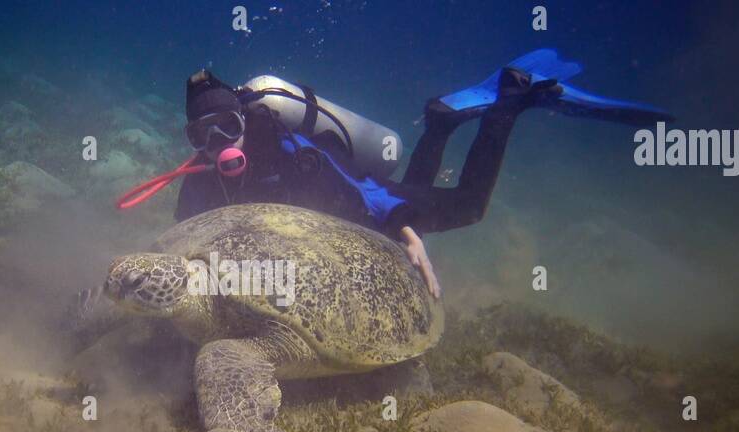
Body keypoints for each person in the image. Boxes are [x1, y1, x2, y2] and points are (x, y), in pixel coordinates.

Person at [164, 50, 673, 298]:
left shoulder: (287, 148)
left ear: (245, 121)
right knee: (419, 193)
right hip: (349, 227)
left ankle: (510, 102)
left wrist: (405, 228)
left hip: (367, 205)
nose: (219, 146)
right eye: (202, 138)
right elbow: (178, 244)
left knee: (466, 209)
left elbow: (364, 188)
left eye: (227, 128)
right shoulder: (200, 182)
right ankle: (441, 122)